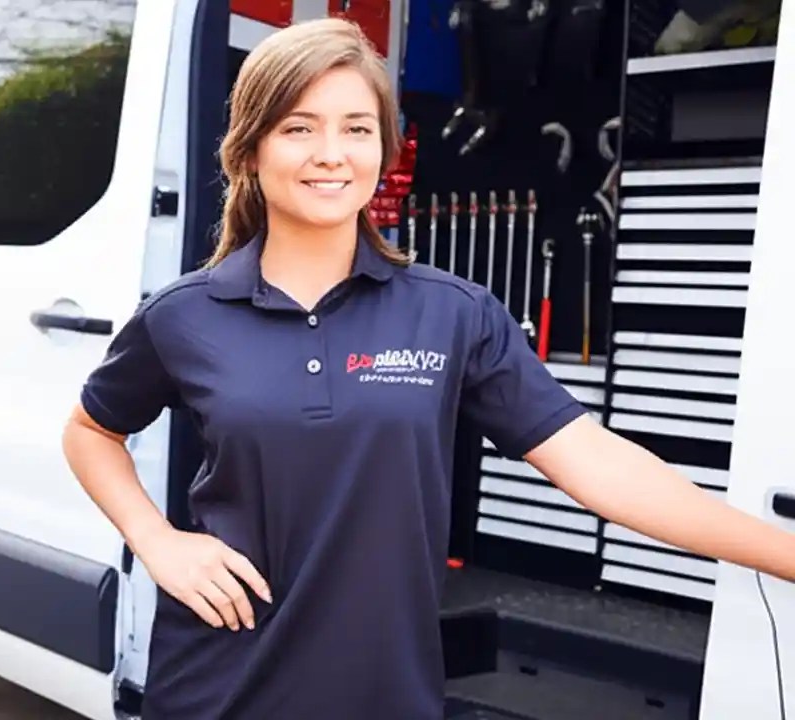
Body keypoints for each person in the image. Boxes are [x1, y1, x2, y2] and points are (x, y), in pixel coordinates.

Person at [60, 17, 795, 720]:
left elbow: (597, 463)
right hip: (218, 689)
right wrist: (159, 542)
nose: (330, 152)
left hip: (384, 692)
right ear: (251, 150)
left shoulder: (453, 315)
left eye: (356, 128)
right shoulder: (187, 314)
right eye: (298, 128)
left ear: (386, 148)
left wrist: (782, 552)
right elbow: (90, 431)